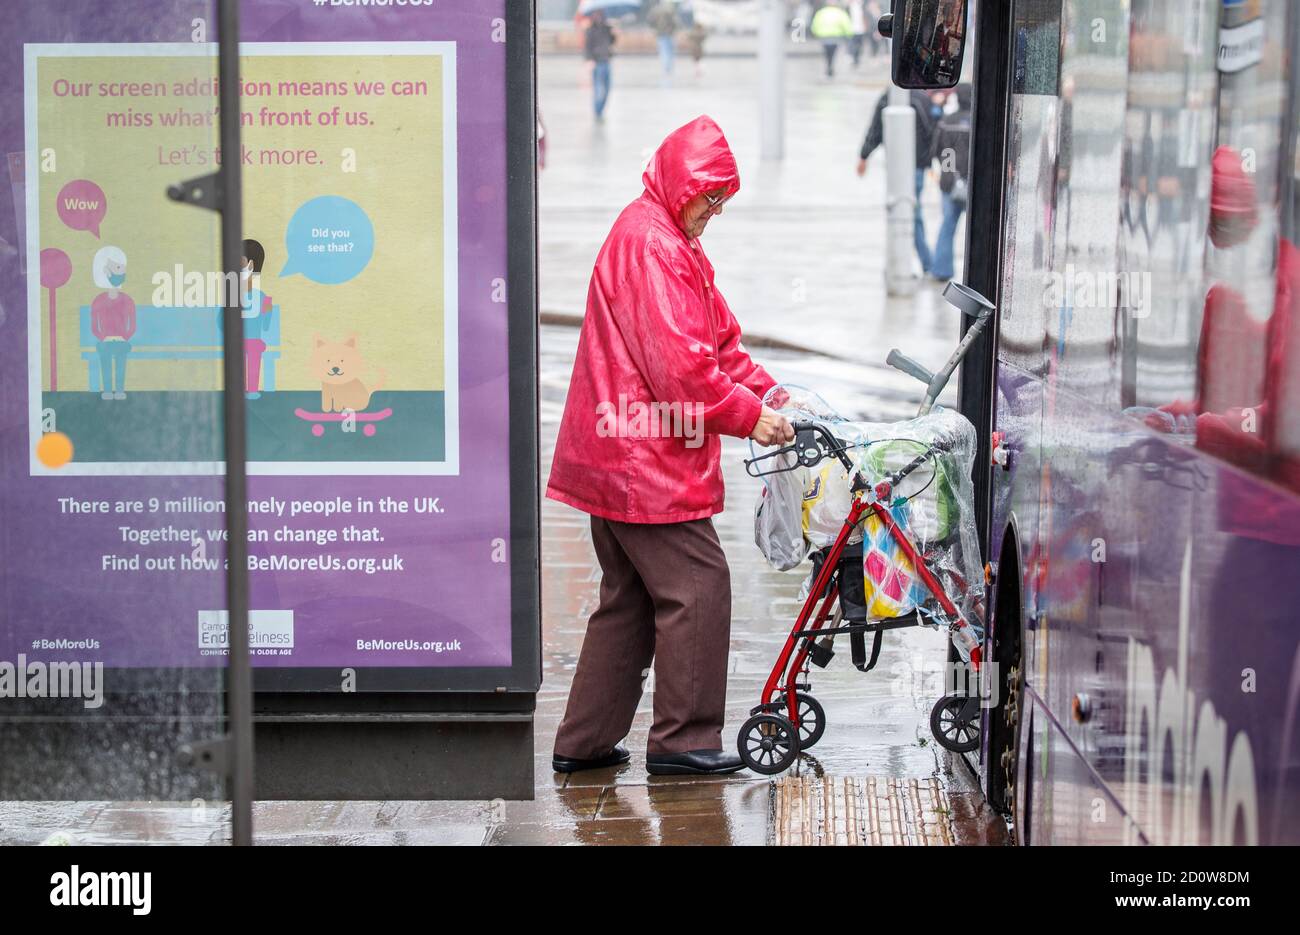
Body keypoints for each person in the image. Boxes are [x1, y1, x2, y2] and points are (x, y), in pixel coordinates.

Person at [547, 115, 793, 776]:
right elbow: (682, 373)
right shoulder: (654, 244)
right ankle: (684, 740)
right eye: (708, 196)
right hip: (640, 462)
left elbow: (718, 347)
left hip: (617, 455)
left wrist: (770, 393)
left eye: (722, 200)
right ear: (682, 184)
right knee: (698, 586)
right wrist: (752, 417)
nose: (714, 210)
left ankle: (584, 740)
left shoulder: (665, 236)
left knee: (627, 598)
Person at [856, 88, 940, 273]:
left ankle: (917, 264)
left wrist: (863, 157)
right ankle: (912, 264)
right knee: (907, 212)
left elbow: (875, 130)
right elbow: (934, 132)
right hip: (911, 167)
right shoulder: (919, 100)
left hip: (907, 168)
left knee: (905, 211)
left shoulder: (890, 98)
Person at [929, 83, 972, 281]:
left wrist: (950, 172)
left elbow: (938, 150)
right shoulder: (981, 122)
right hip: (976, 185)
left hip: (949, 184)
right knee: (977, 231)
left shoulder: (946, 122)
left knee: (947, 226)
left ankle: (941, 270)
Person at [89, 245, 134, 400]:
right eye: (118, 267)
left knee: (121, 366)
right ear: (106, 270)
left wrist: (125, 337)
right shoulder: (98, 301)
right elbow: (94, 326)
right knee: (105, 364)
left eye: (123, 268)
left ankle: (120, 390)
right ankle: (107, 391)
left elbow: (132, 324)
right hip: (105, 342)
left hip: (122, 341)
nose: (122, 272)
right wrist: (103, 337)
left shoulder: (128, 300)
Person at [240, 238, 272, 399]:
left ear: (250, 266)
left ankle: (251, 389)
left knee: (253, 350)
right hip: (240, 342)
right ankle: (247, 390)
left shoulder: (261, 298)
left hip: (251, 341)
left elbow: (266, 325)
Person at [584, 11, 615, 121]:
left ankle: (600, 110)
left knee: (607, 89)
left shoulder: (607, 28)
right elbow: (587, 47)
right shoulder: (590, 30)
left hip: (607, 61)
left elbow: (612, 41)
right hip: (597, 62)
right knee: (598, 90)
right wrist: (589, 60)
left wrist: (614, 32)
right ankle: (597, 112)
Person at [811, 2, 853, 79]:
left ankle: (829, 66)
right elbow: (846, 24)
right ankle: (830, 66)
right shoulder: (840, 13)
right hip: (835, 37)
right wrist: (849, 34)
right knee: (832, 54)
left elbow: (815, 24)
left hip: (824, 37)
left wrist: (815, 33)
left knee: (827, 53)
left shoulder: (821, 13)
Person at [648, 1, 678, 82]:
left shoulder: (655, 10)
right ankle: (669, 67)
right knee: (670, 51)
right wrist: (675, 29)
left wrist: (655, 28)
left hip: (660, 33)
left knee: (663, 51)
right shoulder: (669, 9)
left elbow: (650, 21)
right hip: (670, 33)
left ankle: (666, 68)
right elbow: (675, 21)